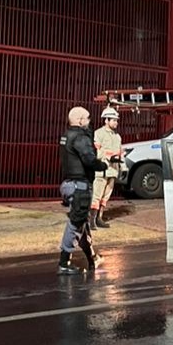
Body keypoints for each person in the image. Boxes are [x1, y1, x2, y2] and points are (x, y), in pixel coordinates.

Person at [58, 106, 108, 275]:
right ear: (80, 120)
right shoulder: (80, 137)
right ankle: (64, 262)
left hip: (69, 184)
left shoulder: (66, 135)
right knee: (75, 223)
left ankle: (92, 258)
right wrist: (102, 164)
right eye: (87, 118)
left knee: (82, 224)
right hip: (80, 186)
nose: (89, 121)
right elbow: (89, 159)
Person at [89, 107, 123, 229]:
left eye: (116, 120)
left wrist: (123, 167)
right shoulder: (98, 133)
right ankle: (91, 220)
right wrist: (109, 157)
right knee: (97, 195)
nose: (116, 123)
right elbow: (97, 152)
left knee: (106, 197)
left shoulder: (117, 136)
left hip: (113, 170)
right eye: (114, 120)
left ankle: (100, 218)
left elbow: (120, 152)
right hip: (102, 170)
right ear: (106, 120)